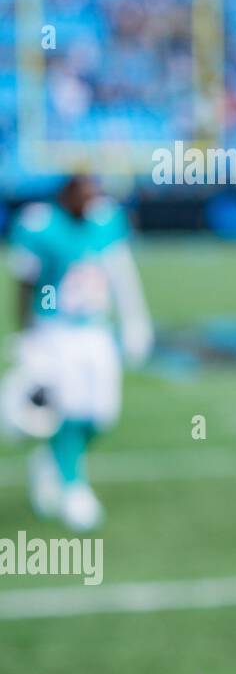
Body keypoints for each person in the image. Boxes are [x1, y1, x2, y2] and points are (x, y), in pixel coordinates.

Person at [4, 173, 152, 530]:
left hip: (96, 331)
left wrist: (135, 321)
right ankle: (74, 488)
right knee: (68, 407)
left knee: (101, 414)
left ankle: (52, 460)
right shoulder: (40, 227)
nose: (91, 201)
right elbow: (24, 285)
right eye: (83, 194)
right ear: (65, 195)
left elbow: (121, 272)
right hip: (54, 331)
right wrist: (27, 336)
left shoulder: (106, 221)